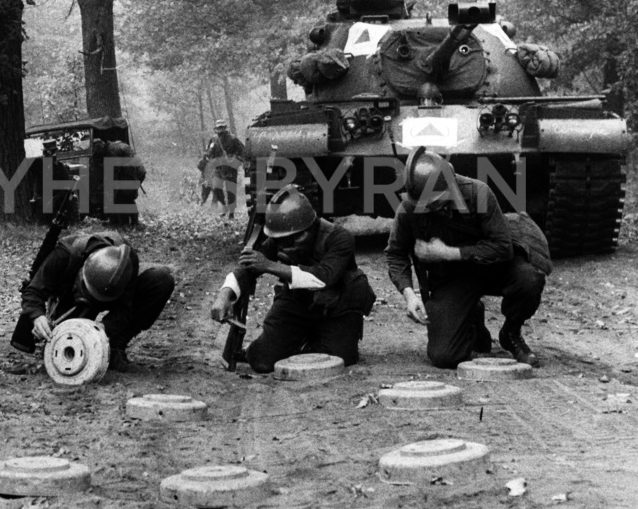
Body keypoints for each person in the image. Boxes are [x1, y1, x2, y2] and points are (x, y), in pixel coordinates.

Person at [384, 147, 549, 369]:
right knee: (444, 356)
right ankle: (472, 317)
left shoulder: (478, 193)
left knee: (529, 279)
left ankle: (511, 332)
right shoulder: (410, 207)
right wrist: (409, 295)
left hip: (493, 269)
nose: (428, 208)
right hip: (453, 279)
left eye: (434, 202)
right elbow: (395, 253)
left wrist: (446, 252)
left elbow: (502, 248)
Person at [210, 185, 376, 371]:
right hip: (297, 303)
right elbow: (248, 267)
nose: (284, 245)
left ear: (308, 229)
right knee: (262, 360)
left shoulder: (339, 238)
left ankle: (310, 341)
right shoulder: (283, 236)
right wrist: (224, 295)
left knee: (339, 358)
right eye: (281, 240)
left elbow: (323, 278)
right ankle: (293, 342)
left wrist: (269, 265)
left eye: (292, 239)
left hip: (338, 308)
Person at [12, 230, 175, 371]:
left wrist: (102, 329)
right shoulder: (63, 255)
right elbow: (33, 291)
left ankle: (116, 345)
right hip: (71, 296)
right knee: (67, 345)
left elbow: (124, 312)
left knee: (161, 280)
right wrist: (37, 316)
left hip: (111, 294)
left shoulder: (126, 265)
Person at [206, 120, 245, 219]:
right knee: (216, 188)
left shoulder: (233, 139)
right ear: (215, 129)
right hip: (218, 168)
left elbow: (243, 151)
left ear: (225, 127)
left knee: (230, 191)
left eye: (221, 127)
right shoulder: (213, 139)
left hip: (230, 168)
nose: (220, 130)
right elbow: (208, 154)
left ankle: (231, 212)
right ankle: (224, 207)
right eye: (218, 128)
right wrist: (210, 152)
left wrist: (236, 160)